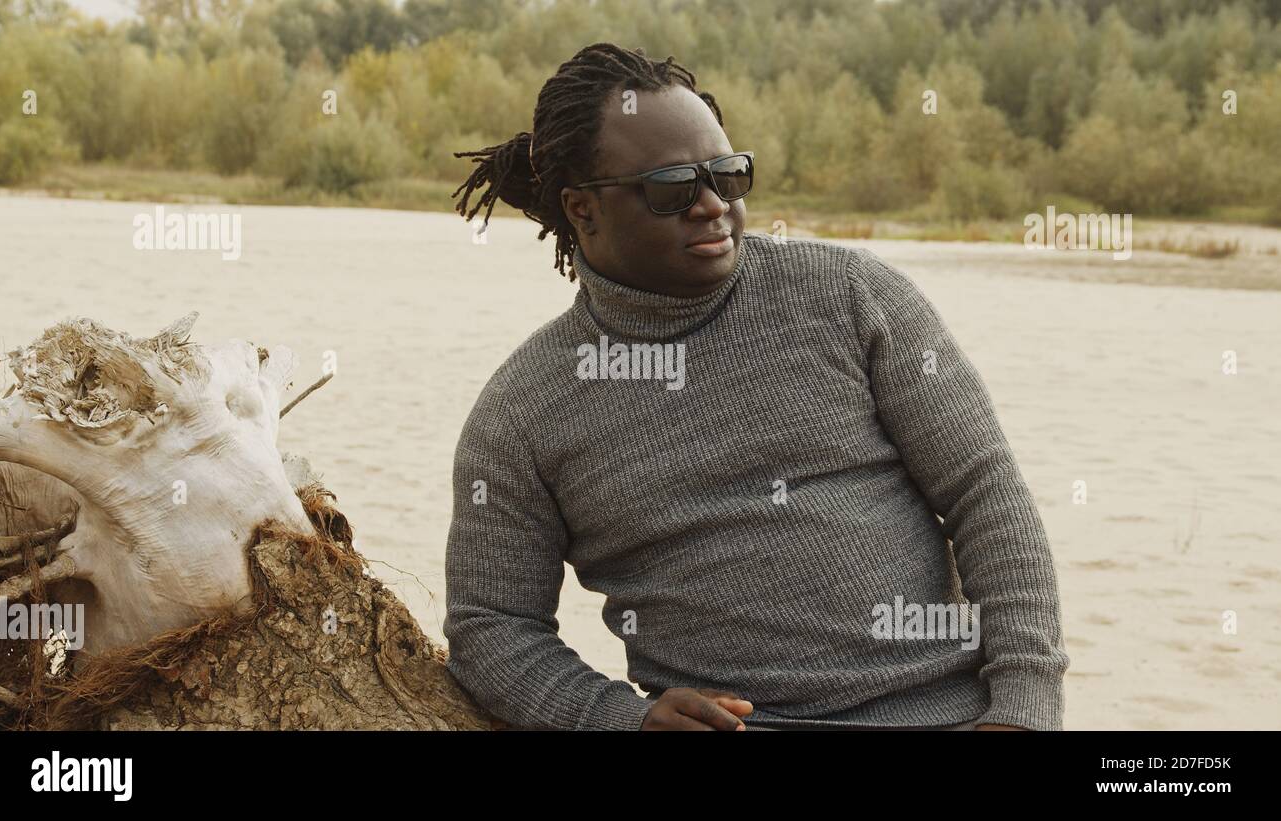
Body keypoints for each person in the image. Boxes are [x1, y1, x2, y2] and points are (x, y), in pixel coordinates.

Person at [444, 42, 1069, 731]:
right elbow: (490, 625)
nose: (713, 206)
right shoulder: (523, 411)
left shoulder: (851, 296)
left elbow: (987, 494)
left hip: (952, 715)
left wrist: (1023, 708)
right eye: (672, 187)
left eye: (729, 176)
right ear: (581, 209)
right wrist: (622, 718)